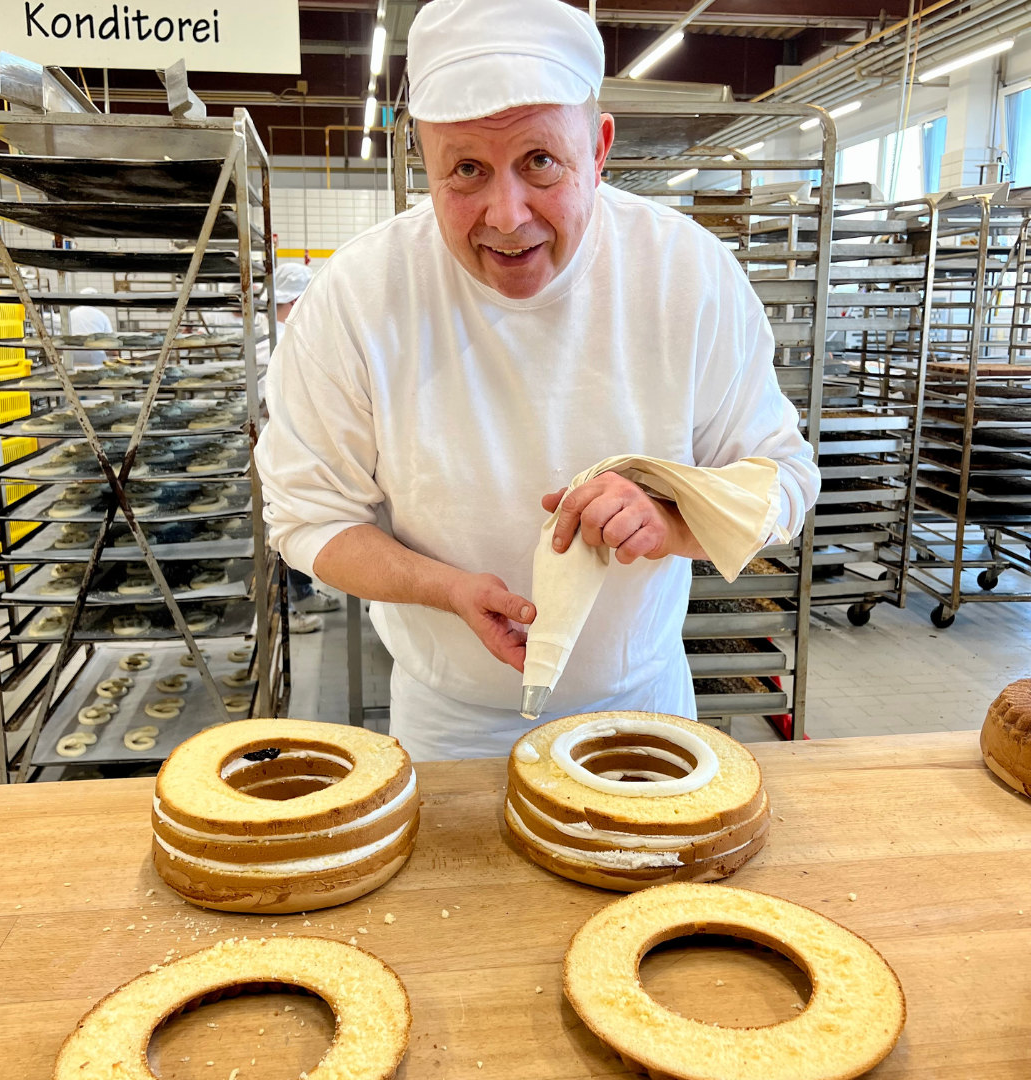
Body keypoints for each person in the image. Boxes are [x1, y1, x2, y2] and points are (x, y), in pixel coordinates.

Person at [256, 0, 820, 759]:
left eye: (540, 162)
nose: (506, 215)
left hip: (638, 705)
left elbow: (782, 480)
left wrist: (673, 520)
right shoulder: (361, 296)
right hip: (452, 721)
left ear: (599, 148)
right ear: (424, 160)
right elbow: (309, 518)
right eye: (466, 170)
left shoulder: (685, 275)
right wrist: (446, 590)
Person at [266, 262, 341, 632]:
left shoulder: (270, 333)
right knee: (282, 532)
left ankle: (299, 595)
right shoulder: (286, 339)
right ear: (297, 301)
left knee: (287, 528)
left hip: (277, 450)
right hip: (277, 453)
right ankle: (284, 608)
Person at [68, 286, 112, 366]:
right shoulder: (102, 316)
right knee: (97, 372)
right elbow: (110, 341)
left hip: (73, 352)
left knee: (73, 372)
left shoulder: (71, 314)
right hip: (95, 354)